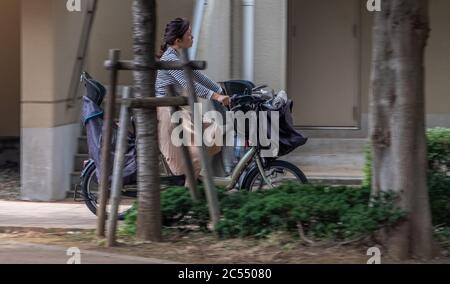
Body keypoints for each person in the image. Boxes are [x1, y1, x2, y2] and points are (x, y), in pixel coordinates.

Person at [156, 17, 229, 180]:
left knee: (215, 132)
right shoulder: (169, 59)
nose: (193, 37)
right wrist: (216, 96)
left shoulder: (178, 57)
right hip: (166, 111)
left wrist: (221, 89)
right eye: (189, 34)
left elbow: (198, 76)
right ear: (178, 40)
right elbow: (189, 85)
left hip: (177, 108)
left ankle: (196, 177)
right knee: (195, 155)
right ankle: (191, 194)